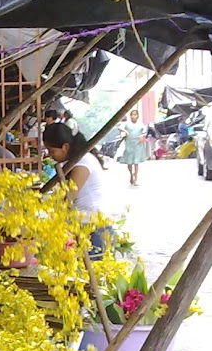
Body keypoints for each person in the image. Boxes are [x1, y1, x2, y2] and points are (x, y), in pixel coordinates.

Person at [44, 128, 113, 256]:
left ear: (65, 147)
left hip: (94, 228)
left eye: (52, 151)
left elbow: (68, 198)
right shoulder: (77, 161)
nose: (50, 155)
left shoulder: (82, 163)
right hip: (84, 224)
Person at [116, 107, 151, 186]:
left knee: (136, 161)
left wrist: (142, 136)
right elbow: (119, 128)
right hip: (129, 144)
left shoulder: (140, 124)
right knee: (129, 162)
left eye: (135, 115)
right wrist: (125, 131)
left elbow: (144, 131)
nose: (133, 116)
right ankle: (131, 175)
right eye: (132, 115)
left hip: (138, 144)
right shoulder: (126, 123)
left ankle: (136, 178)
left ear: (137, 116)